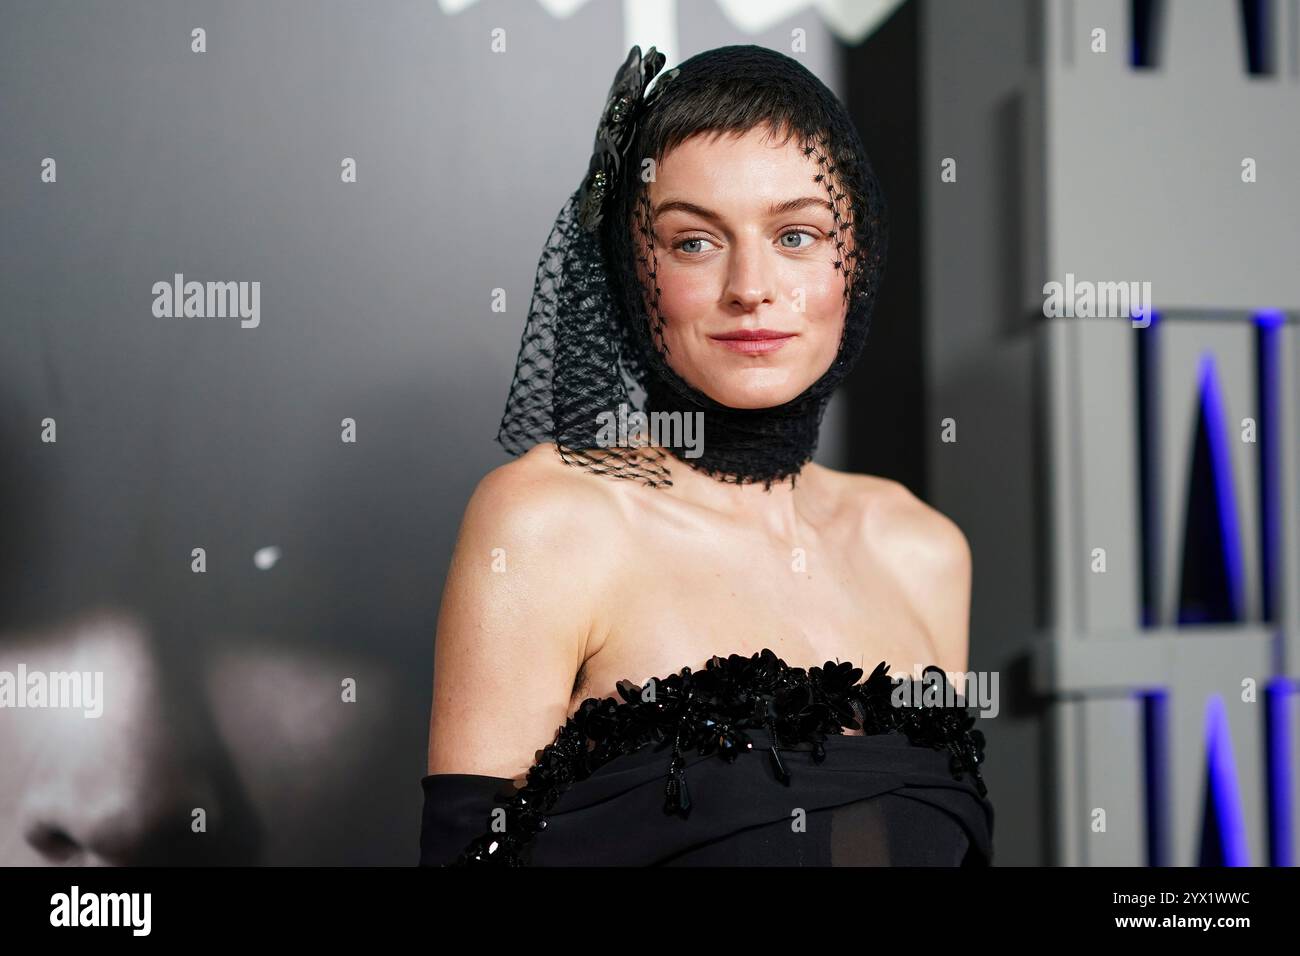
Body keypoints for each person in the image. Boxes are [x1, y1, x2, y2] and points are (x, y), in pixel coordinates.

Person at [421, 44, 992, 866]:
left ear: (854, 261)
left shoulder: (922, 550)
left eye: (797, 234)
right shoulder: (547, 519)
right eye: (694, 242)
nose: (750, 286)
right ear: (631, 267)